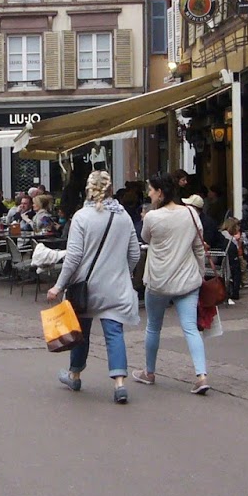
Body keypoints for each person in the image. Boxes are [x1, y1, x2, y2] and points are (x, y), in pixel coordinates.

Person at [46, 171, 142, 404]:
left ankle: (74, 374)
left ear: (88, 189)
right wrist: (124, 272)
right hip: (115, 287)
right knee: (114, 333)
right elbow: (135, 253)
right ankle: (119, 383)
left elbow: (74, 257)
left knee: (81, 333)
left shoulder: (81, 217)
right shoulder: (123, 216)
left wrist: (59, 286)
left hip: (86, 288)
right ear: (110, 189)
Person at [132, 172, 210, 395]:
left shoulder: (152, 218)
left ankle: (149, 371)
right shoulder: (191, 214)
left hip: (159, 279)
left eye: (151, 190)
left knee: (153, 327)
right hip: (187, 278)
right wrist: (201, 273)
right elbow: (198, 247)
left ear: (160, 192)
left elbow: (145, 238)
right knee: (190, 328)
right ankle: (201, 375)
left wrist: (148, 216)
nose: (148, 193)